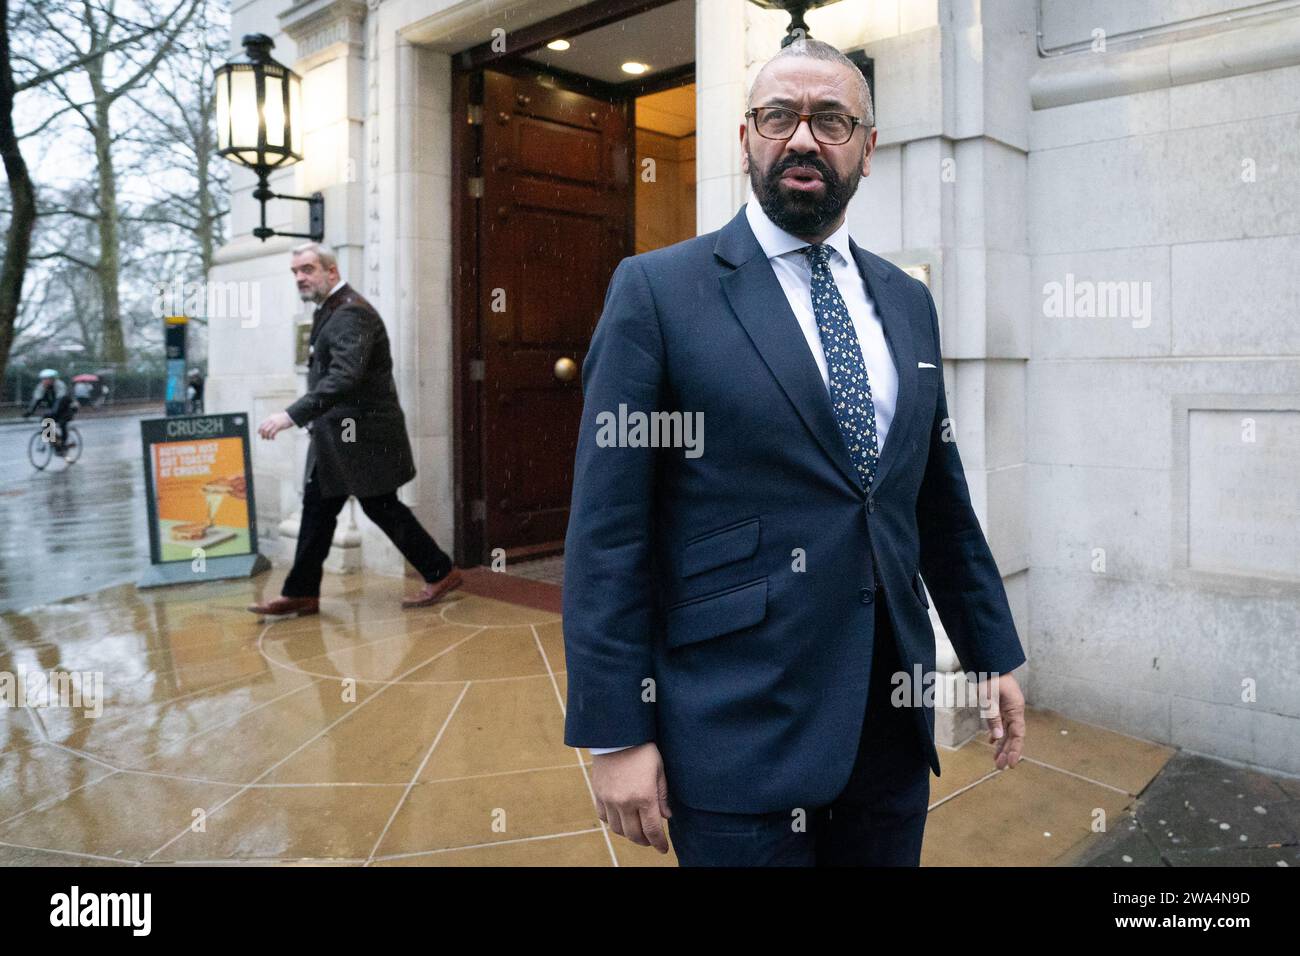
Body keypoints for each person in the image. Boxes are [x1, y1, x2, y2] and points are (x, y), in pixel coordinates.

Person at [562, 39, 1028, 866]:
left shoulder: (908, 302)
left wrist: (990, 652)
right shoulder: (656, 292)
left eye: (832, 119)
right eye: (780, 117)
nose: (804, 139)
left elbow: (935, 498)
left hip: (887, 720)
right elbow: (608, 531)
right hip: (738, 730)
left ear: (868, 148)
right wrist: (613, 730)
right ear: (746, 139)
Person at [248, 242, 462, 617]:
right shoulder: (331, 309)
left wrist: (291, 415)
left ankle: (440, 571)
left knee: (381, 507)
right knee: (317, 510)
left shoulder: (351, 313)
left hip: (361, 438)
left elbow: (345, 377)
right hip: (337, 438)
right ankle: (301, 592)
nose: (300, 277)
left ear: (331, 271)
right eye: (295, 271)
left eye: (308, 269)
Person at [24, 369, 78, 454]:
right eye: (43, 379)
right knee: (46, 423)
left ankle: (63, 444)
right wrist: (29, 412)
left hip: (66, 409)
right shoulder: (41, 386)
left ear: (53, 379)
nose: (44, 381)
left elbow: (60, 400)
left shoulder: (60, 385)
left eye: (47, 379)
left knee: (62, 423)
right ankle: (56, 443)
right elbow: (36, 400)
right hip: (54, 409)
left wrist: (53, 411)